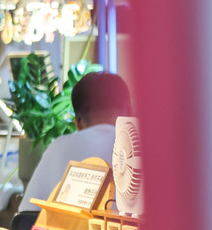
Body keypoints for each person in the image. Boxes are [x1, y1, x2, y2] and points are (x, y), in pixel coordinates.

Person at [18, 71, 132, 213]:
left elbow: (26, 214)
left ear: (77, 123)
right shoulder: (147, 148)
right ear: (129, 113)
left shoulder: (58, 147)